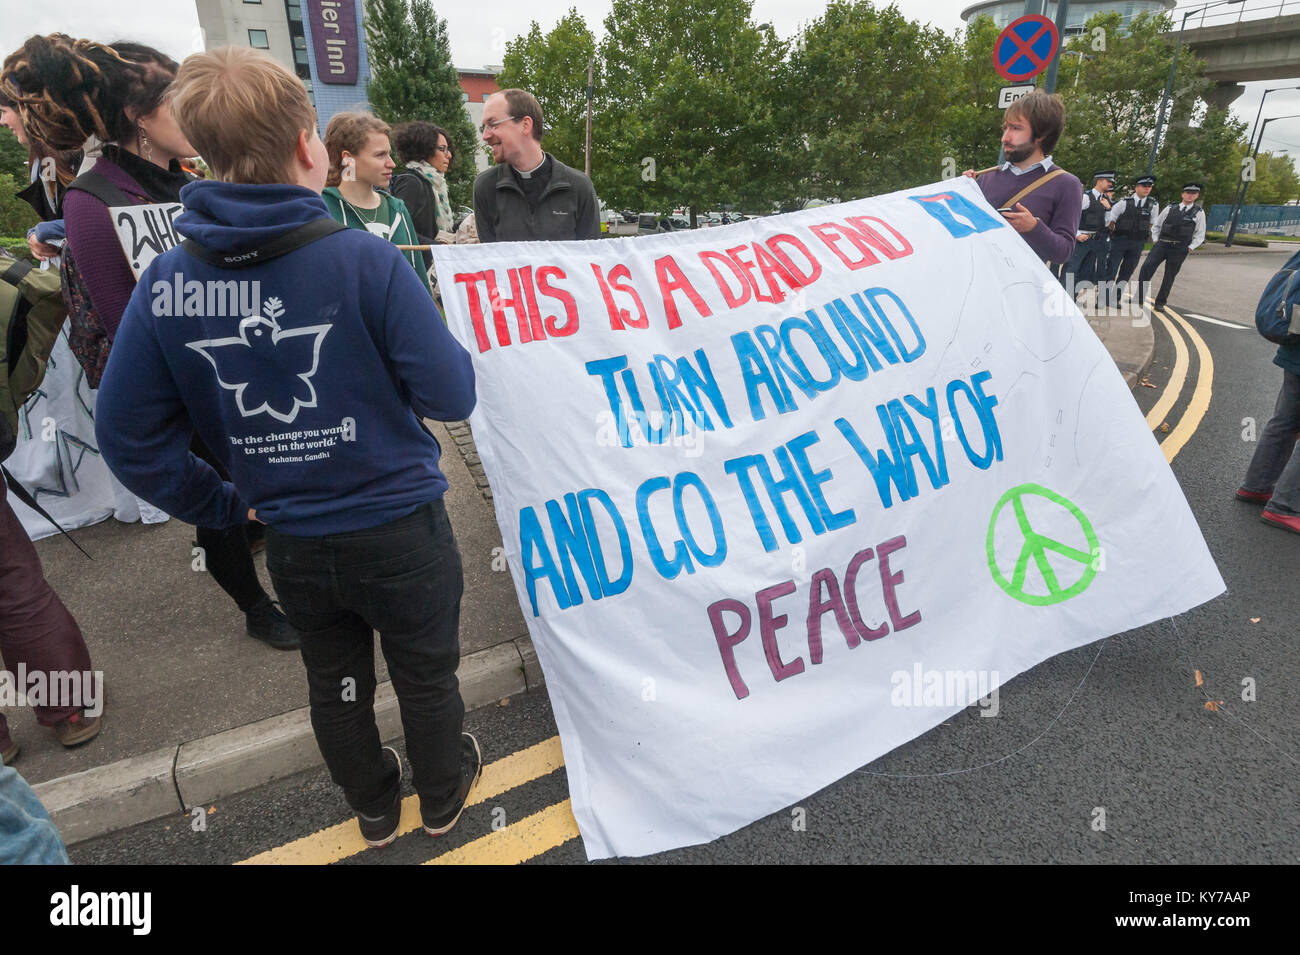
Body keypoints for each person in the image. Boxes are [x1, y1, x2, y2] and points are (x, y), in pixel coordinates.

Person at [94, 46, 483, 847]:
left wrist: (228, 502)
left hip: (297, 540)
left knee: (335, 681)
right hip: (401, 525)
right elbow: (453, 394)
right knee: (425, 674)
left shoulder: (170, 280)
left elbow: (128, 439)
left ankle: (375, 806)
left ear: (202, 151)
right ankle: (443, 798)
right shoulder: (365, 258)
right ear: (310, 146)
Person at [2, 34, 298, 650]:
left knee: (241, 483)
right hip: (177, 379)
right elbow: (122, 321)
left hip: (229, 359)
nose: (192, 113)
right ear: (140, 116)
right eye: (178, 102)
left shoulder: (184, 176)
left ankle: (243, 535)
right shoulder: (93, 200)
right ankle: (253, 603)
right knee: (217, 489)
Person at [963, 91, 1080, 265]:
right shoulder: (986, 177)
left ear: (1042, 134)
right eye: (1005, 128)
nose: (1005, 138)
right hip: (976, 281)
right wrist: (961, 192)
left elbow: (1063, 253)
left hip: (1018, 288)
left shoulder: (1066, 184)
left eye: (1016, 128)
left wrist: (1033, 228)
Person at [320, 111, 430, 294]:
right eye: (380, 155)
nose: (392, 163)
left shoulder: (397, 209)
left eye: (389, 154)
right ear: (348, 158)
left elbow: (418, 282)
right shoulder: (323, 209)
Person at [473, 88, 600, 243]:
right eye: (483, 127)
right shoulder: (485, 188)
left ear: (525, 125)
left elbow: (591, 259)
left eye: (493, 124)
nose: (485, 136)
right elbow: (489, 259)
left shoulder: (579, 187)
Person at [1236, 338, 1300, 534]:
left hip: (1295, 354)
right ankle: (1286, 506)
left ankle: (1257, 486)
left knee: (1285, 421)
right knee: (1285, 421)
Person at [390, 121, 457, 264]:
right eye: (442, 149)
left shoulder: (435, 184)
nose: (449, 155)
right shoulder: (411, 182)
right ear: (424, 150)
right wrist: (438, 247)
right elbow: (400, 229)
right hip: (418, 268)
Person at [1137, 182, 1206, 312]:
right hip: (1162, 244)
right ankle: (1139, 297)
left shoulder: (1199, 213)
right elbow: (1157, 225)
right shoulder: (1170, 208)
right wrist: (1156, 240)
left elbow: (1200, 234)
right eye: (1187, 193)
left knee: (1170, 275)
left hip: (1180, 248)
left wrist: (1190, 247)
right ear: (1182, 194)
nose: (1189, 196)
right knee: (1147, 267)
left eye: (1193, 194)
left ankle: (1160, 302)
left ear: (1196, 196)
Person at [1103, 175, 1159, 297]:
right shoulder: (1124, 203)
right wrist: (1116, 232)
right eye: (1144, 186)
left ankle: (1115, 298)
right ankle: (1103, 297)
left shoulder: (1153, 205)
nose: (1147, 189)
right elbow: (1111, 219)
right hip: (1119, 241)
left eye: (1149, 187)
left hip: (1137, 243)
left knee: (1127, 271)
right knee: (1111, 270)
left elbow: (1152, 223)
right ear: (1136, 187)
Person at [1060, 170, 1114, 296]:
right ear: (1099, 181)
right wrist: (1077, 234)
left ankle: (1073, 297)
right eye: (1108, 181)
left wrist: (1108, 209)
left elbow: (1106, 224)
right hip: (1081, 240)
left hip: (1095, 241)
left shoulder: (1105, 200)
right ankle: (1063, 298)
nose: (1110, 184)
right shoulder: (1085, 197)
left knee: (1085, 272)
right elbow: (1070, 216)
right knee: (1071, 270)